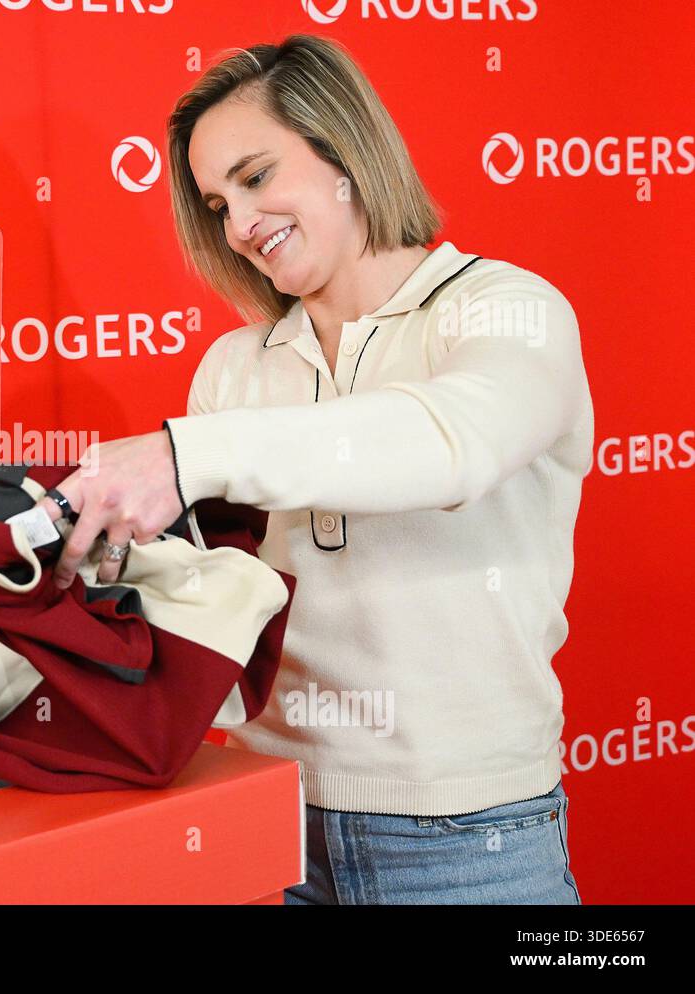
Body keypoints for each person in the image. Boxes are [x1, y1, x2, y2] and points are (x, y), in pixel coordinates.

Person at [32, 34, 590, 905]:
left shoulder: (508, 312)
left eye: (256, 177)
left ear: (346, 151)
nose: (240, 225)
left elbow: (455, 443)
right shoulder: (234, 368)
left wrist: (186, 455)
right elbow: (209, 609)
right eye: (217, 204)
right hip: (266, 825)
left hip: (470, 841)